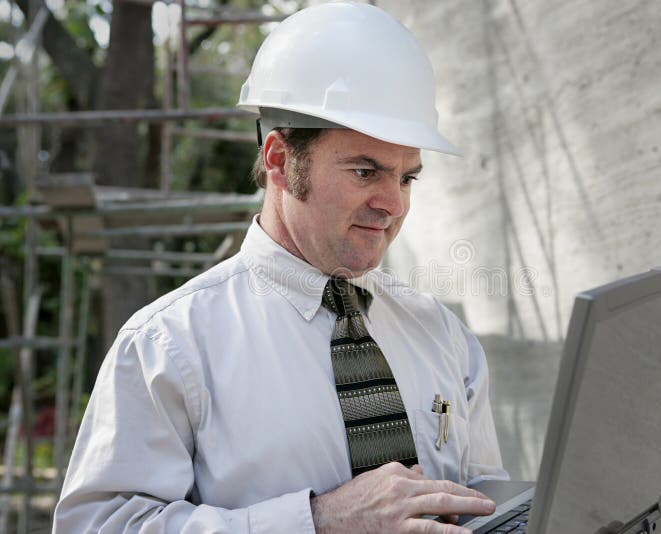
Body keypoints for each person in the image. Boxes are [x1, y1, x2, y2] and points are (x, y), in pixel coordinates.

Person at [54, 3, 507, 532]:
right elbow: (100, 526)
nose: (394, 204)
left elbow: (485, 502)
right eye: (366, 171)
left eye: (407, 178)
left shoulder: (443, 336)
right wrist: (317, 520)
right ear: (278, 160)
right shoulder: (167, 348)